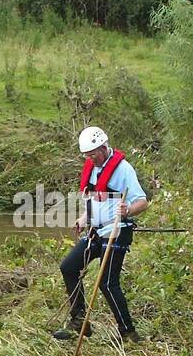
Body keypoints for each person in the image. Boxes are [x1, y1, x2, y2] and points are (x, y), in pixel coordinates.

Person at [53, 125, 148, 343]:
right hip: (96, 231)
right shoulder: (92, 168)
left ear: (104, 148)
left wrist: (128, 210)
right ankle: (79, 322)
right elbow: (94, 201)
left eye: (94, 154)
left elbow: (143, 202)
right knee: (68, 267)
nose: (91, 159)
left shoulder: (124, 169)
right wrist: (83, 219)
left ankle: (129, 333)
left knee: (107, 282)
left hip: (117, 231)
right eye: (87, 156)